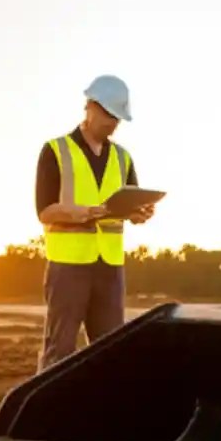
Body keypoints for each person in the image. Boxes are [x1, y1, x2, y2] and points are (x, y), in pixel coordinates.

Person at [33, 74, 154, 372]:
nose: (113, 123)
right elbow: (45, 211)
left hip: (110, 269)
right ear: (89, 106)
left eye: (118, 118)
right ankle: (50, 415)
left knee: (112, 352)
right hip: (68, 267)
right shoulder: (56, 151)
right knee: (59, 352)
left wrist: (139, 214)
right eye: (108, 115)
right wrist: (83, 213)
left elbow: (130, 205)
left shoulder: (123, 158)